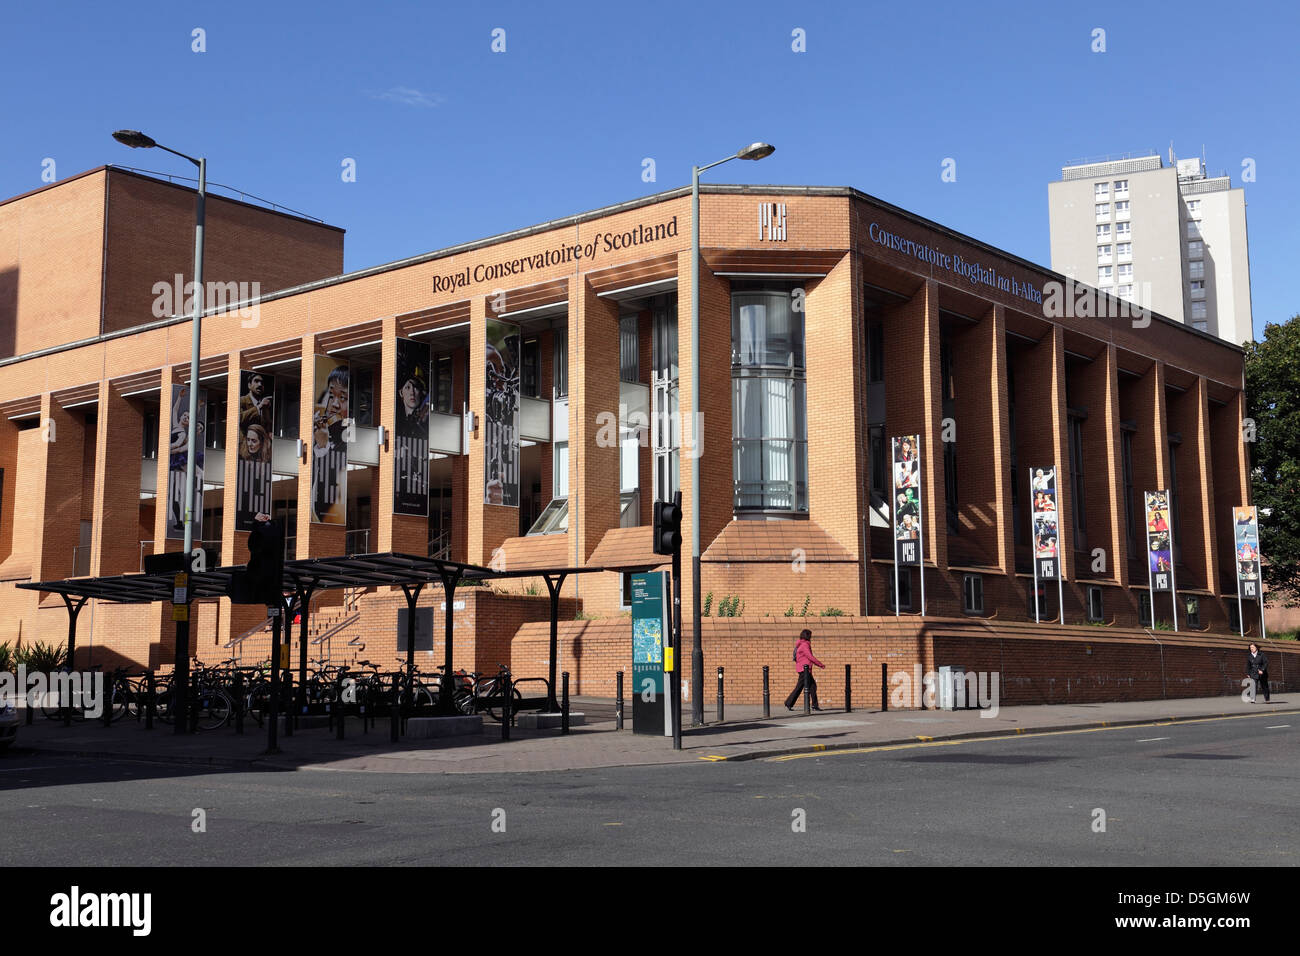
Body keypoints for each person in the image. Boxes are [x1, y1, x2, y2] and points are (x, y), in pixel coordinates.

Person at [785, 628, 825, 711]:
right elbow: (810, 656)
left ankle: (814, 705)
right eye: (810, 635)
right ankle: (789, 703)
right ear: (808, 636)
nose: (811, 637)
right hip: (804, 670)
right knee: (799, 687)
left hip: (803, 669)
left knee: (812, 686)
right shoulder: (805, 645)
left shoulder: (801, 644)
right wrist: (820, 664)